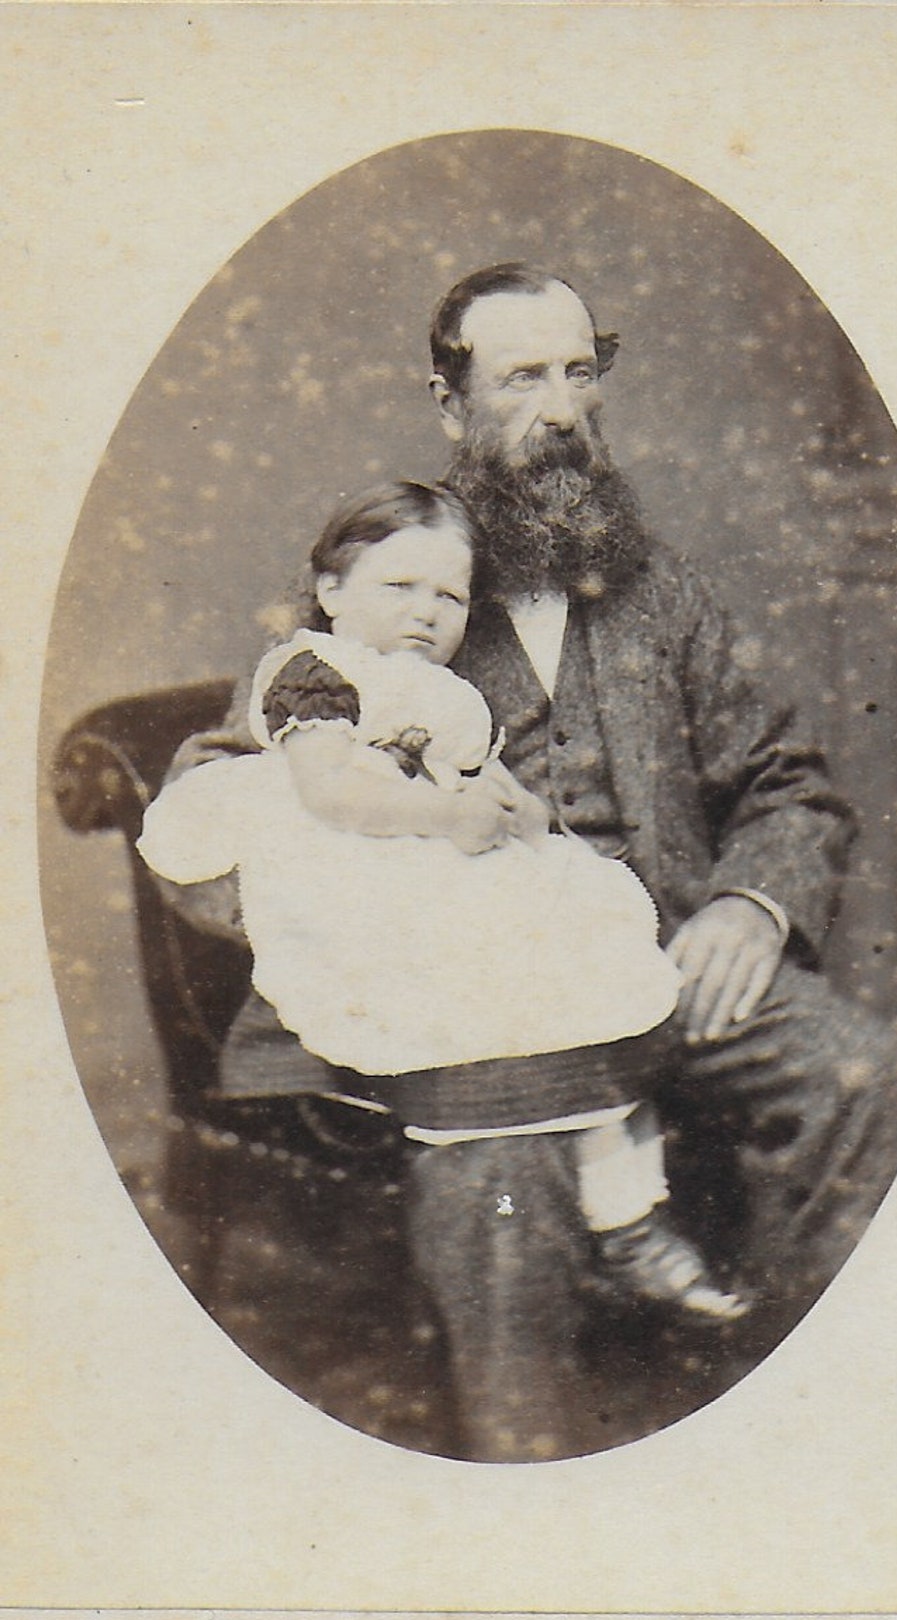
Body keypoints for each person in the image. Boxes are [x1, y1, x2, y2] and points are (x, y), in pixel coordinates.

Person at [167, 263, 897, 1458]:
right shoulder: (395, 575)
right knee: (502, 1183)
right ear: (451, 403)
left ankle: (787, 1418)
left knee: (859, 1070)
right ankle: (531, 1488)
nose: (564, 408)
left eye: (581, 372)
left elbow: (786, 776)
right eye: (523, 378)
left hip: (661, 961)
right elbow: (222, 785)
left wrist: (750, 904)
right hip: (471, 1006)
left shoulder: (661, 587)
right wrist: (346, 899)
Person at [138, 481, 750, 1324]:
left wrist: (524, 817)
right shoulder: (316, 673)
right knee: (476, 985)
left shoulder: (449, 694)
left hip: (445, 864)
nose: (425, 613)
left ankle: (627, 1215)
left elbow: (489, 783)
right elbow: (331, 797)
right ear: (330, 591)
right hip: (369, 877)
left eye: (449, 596)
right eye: (399, 588)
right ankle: (594, 1204)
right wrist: (445, 816)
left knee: (582, 972)